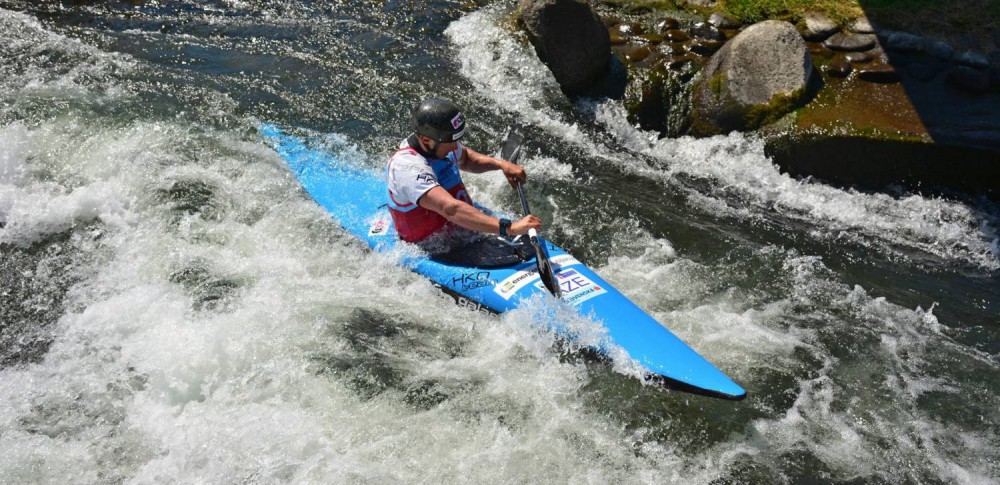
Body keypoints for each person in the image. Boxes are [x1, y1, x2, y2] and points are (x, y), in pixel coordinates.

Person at [385, 98, 542, 249]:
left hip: (462, 230)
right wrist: (510, 228)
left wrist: (501, 164)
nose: (455, 147)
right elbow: (450, 208)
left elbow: (466, 159)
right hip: (432, 246)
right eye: (451, 143)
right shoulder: (407, 168)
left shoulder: (438, 144)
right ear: (426, 140)